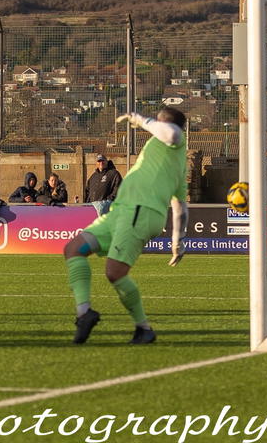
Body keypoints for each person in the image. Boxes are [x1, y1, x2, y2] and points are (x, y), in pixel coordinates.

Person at [62, 107, 190, 346]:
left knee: (114, 272)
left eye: (159, 122)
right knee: (74, 249)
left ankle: (143, 328)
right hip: (122, 210)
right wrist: (178, 241)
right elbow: (180, 205)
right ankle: (84, 313)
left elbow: (171, 134)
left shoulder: (175, 141)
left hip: (141, 211)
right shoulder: (171, 159)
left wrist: (141, 119)